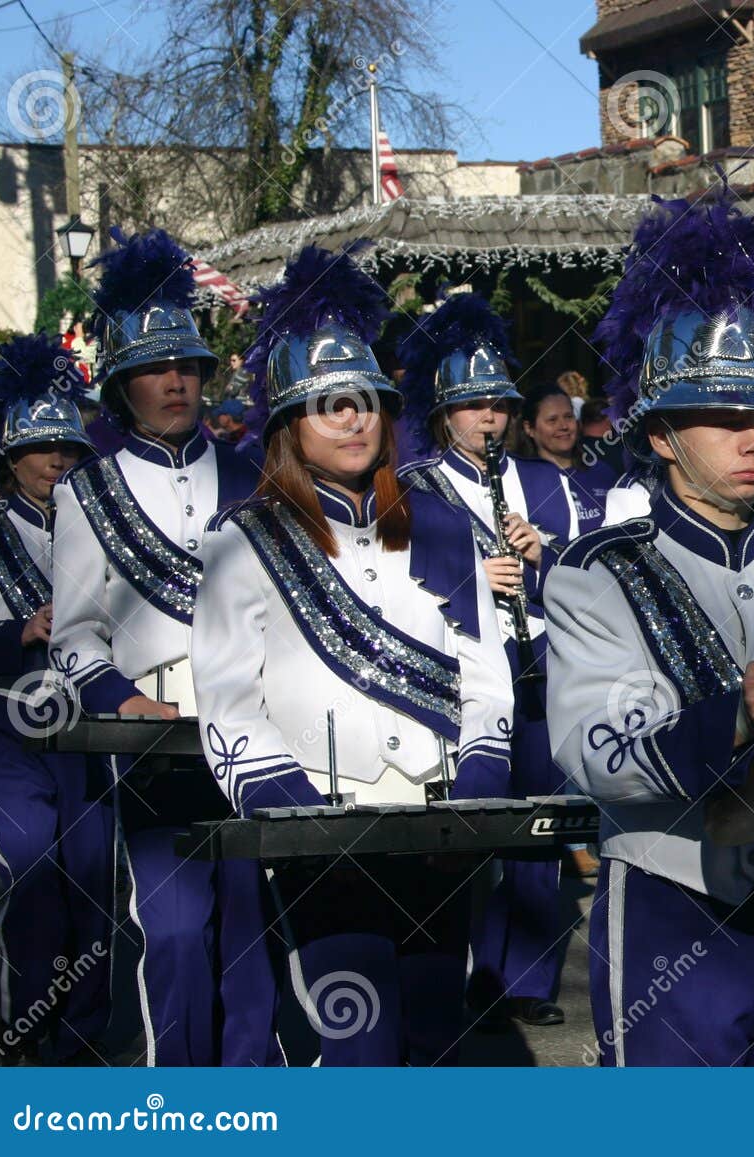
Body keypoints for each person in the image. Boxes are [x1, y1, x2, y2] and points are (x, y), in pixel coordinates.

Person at [547, 191, 754, 1066]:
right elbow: (595, 752)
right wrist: (734, 716)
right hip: (666, 903)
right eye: (724, 419)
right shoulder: (595, 572)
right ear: (659, 435)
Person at [192, 247, 515, 1066]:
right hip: (319, 839)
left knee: (437, 1040)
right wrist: (299, 819)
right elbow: (230, 705)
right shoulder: (245, 541)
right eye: (327, 405)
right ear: (289, 425)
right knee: (357, 1047)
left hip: (438, 829)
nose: (353, 419)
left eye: (366, 402)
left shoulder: (442, 527)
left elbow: (485, 678)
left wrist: (477, 787)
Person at [48, 228, 276, 1067]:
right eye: (154, 368)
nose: (175, 381)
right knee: (174, 933)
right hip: (153, 744)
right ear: (122, 385)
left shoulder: (254, 475)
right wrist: (126, 700)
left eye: (187, 366)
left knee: (254, 935)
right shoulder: (88, 492)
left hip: (259, 731)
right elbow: (75, 638)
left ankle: (259, 1102)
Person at [395, 292, 569, 1030]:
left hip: (541, 659)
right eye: (473, 406)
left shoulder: (544, 482)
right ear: (444, 415)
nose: (489, 418)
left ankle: (526, 977)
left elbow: (588, 578)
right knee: (470, 823)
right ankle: (468, 972)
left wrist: (542, 558)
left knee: (542, 821)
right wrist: (476, 577)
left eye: (498, 404)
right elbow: (401, 584)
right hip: (464, 672)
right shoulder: (414, 486)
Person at [0, 334, 112, 1064]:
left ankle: (83, 1035)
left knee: (93, 880)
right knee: (32, 871)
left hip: (90, 727)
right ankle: (24, 1030)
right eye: (41, 448)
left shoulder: (102, 525)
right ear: (10, 457)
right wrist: (17, 632)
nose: (57, 460)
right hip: (9, 728)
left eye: (68, 447)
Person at [520, 382, 617, 538]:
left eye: (568, 416)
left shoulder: (602, 473)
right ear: (529, 428)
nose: (563, 426)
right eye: (552, 420)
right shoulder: (521, 483)